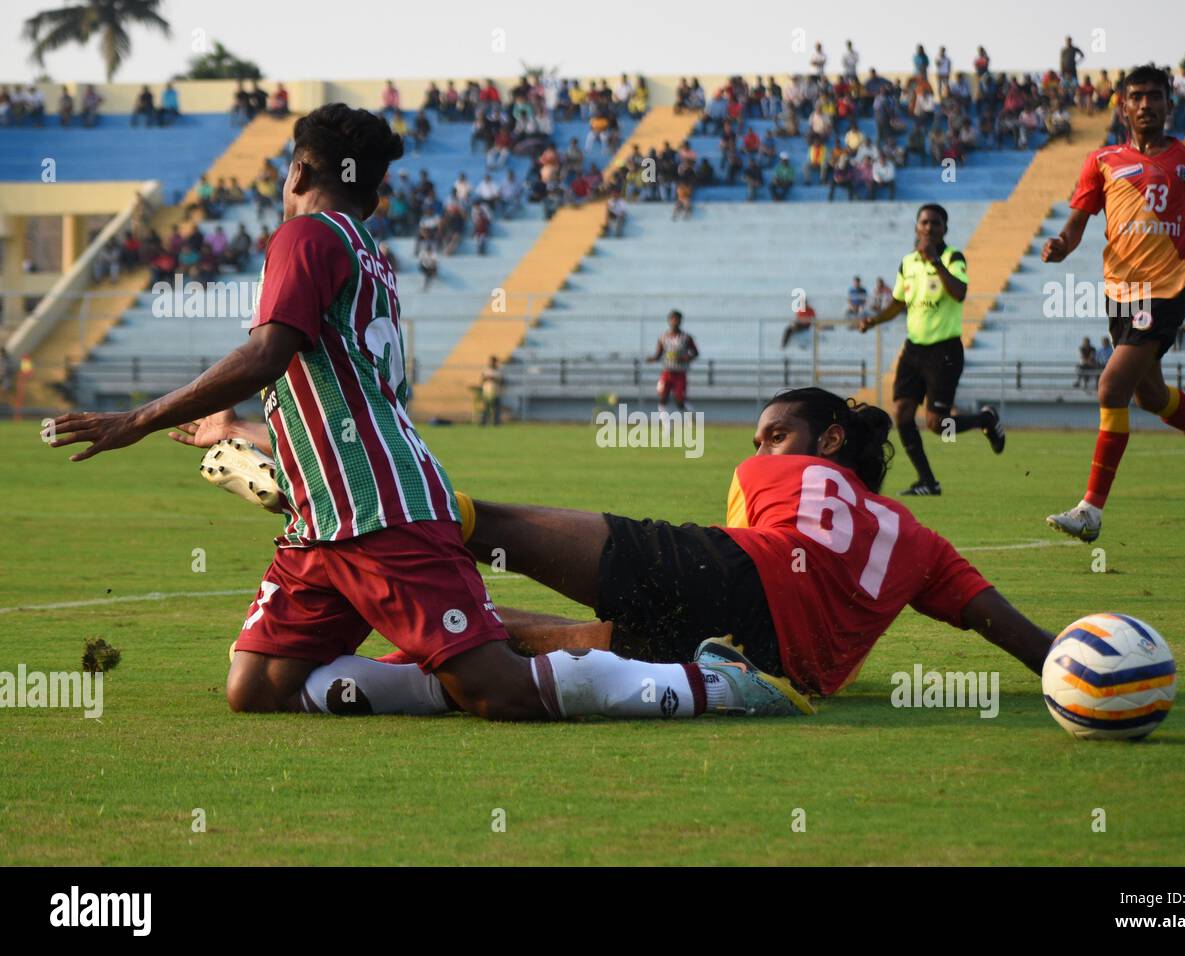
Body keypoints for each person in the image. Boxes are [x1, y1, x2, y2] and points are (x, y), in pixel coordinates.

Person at [47, 103, 805, 724]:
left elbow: (270, 355)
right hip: (327, 517)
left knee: (496, 692)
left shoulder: (304, 236)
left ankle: (714, 684)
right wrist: (246, 431)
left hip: (380, 512)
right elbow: (338, 393)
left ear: (300, 170)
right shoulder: (366, 250)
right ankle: (449, 664)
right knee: (260, 683)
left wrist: (136, 419)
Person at [208, 388, 1059, 703]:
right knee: (514, 635)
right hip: (772, 666)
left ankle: (351, 498)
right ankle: (409, 574)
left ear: (829, 440)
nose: (762, 447)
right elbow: (1004, 626)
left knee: (490, 523)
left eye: (776, 433)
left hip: (729, 578)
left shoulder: (779, 476)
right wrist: (1070, 667)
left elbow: (746, 553)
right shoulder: (919, 540)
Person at [1041, 65, 1185, 542]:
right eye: (1137, 97)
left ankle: (1091, 511)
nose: (1146, 104)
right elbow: (1078, 220)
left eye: (1155, 96)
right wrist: (1063, 246)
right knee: (1150, 396)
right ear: (1124, 106)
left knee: (1111, 388)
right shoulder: (1102, 160)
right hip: (1119, 294)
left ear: (1169, 103)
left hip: (1165, 291)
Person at [858, 204, 1005, 495]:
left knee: (937, 425)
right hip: (914, 350)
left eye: (935, 224)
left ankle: (985, 419)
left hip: (944, 352)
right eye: (924, 222)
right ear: (916, 227)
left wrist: (936, 262)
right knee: (901, 412)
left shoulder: (953, 258)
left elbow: (960, 292)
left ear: (944, 230)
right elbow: (899, 303)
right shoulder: (908, 263)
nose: (929, 228)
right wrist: (874, 320)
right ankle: (928, 481)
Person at [646, 310, 698, 425]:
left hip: (680, 373)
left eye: (677, 319)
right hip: (667, 372)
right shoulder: (663, 337)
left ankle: (691, 413)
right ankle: (666, 425)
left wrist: (684, 358)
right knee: (662, 398)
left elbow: (695, 353)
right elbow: (659, 354)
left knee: (679, 401)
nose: (674, 322)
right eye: (672, 319)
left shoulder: (686, 338)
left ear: (680, 321)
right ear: (669, 321)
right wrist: (652, 359)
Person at [479, 355, 503, 426]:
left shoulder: (499, 370)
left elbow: (501, 381)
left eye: (493, 361)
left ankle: (496, 423)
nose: (491, 363)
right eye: (490, 361)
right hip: (487, 392)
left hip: (496, 392)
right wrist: (487, 378)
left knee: (496, 409)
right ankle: (484, 422)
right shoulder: (486, 370)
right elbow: (482, 379)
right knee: (486, 408)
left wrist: (494, 379)